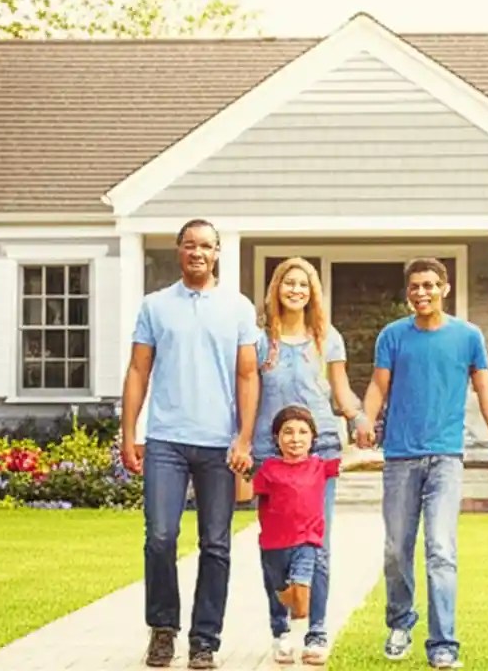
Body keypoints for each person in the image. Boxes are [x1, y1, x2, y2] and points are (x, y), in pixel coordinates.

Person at [356, 257, 488, 669]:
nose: (422, 292)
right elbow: (378, 385)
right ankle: (400, 623)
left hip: (446, 457)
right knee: (396, 549)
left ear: (444, 288)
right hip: (400, 457)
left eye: (430, 285)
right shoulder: (394, 336)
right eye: (415, 286)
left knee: (441, 549)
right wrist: (365, 420)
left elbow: (485, 394)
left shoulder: (468, 337)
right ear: (408, 292)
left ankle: (443, 643)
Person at [119, 218, 260, 670]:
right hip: (166, 440)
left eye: (206, 246)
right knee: (160, 538)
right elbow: (138, 370)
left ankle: (205, 641)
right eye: (190, 245)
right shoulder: (155, 306)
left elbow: (248, 374)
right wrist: (129, 433)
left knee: (216, 544)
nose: (198, 252)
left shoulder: (238, 308)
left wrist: (243, 437)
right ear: (178, 250)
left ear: (217, 252)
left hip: (219, 445)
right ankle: (163, 630)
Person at [251, 256, 371, 664]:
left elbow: (340, 390)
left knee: (317, 544)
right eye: (289, 283)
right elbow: (247, 392)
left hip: (318, 451)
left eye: (303, 284)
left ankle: (317, 632)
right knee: (276, 547)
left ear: (312, 292)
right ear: (276, 289)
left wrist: (358, 417)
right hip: (269, 453)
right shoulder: (259, 341)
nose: (296, 290)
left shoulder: (327, 338)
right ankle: (281, 629)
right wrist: (241, 440)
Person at [249, 404, 343, 664]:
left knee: (301, 591)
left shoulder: (319, 466)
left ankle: (313, 635)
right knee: (278, 591)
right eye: (288, 432)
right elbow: (247, 495)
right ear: (277, 438)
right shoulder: (268, 469)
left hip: (307, 541)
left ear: (313, 438)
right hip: (273, 545)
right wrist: (241, 466)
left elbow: (350, 461)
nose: (295, 438)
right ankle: (281, 633)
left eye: (303, 432)